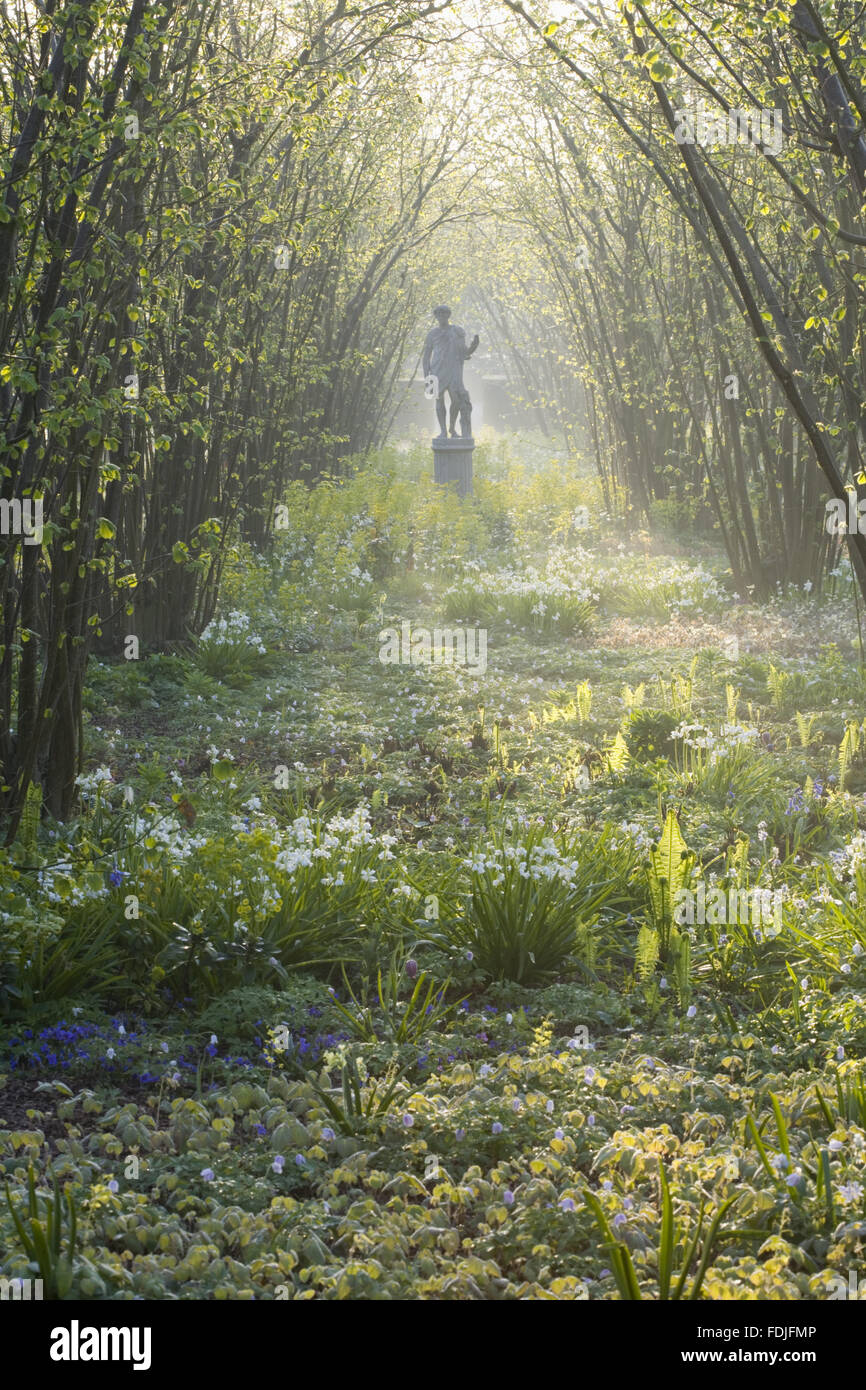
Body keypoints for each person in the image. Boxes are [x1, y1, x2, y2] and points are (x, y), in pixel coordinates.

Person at [422, 305, 479, 440]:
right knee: (439, 401)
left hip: (454, 370)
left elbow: (464, 352)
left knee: (457, 400)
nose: (441, 316)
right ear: (436, 316)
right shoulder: (432, 334)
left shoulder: (457, 331)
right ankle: (443, 431)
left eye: (444, 314)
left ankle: (452, 428)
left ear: (448, 315)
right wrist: (427, 377)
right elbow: (426, 357)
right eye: (439, 314)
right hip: (436, 371)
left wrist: (474, 346)